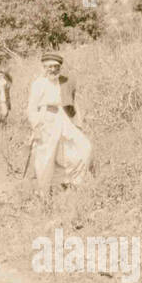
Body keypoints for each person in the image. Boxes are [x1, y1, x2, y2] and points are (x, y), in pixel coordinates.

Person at [25, 51, 93, 196]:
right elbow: (31, 108)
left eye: (56, 67)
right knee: (47, 156)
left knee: (84, 147)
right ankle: (44, 192)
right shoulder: (38, 84)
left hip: (62, 117)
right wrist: (35, 126)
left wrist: (77, 123)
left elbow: (71, 103)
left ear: (59, 68)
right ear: (44, 67)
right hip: (45, 118)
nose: (53, 70)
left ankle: (74, 183)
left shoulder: (63, 81)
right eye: (49, 67)